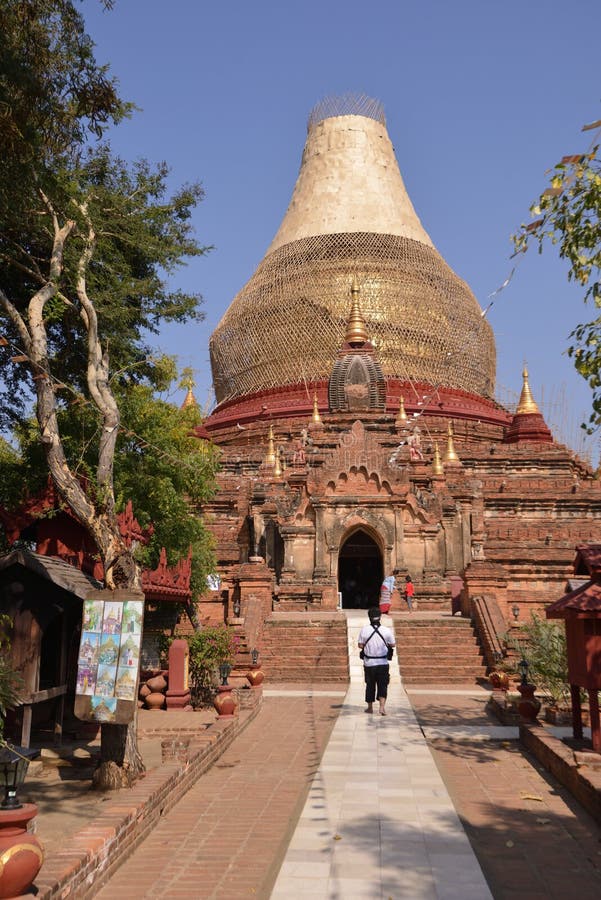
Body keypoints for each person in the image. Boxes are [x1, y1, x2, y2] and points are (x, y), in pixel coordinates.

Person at [358, 607, 396, 716]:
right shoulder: (386, 630)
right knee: (383, 685)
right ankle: (382, 708)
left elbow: (360, 645)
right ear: (380, 617)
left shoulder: (364, 630)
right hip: (383, 663)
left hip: (369, 663)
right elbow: (393, 644)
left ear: (369, 617)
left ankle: (370, 708)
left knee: (370, 685)